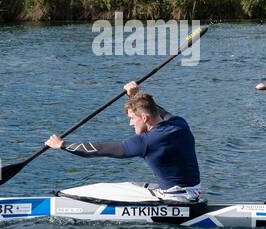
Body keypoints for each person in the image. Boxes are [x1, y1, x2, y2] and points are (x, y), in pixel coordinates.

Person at [45, 81, 203, 202]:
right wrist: (135, 95)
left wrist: (63, 145)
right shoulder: (179, 123)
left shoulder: (147, 142)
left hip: (174, 199)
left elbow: (99, 149)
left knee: (99, 190)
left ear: (144, 118)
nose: (130, 123)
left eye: (132, 119)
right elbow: (155, 109)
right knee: (126, 186)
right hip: (193, 193)